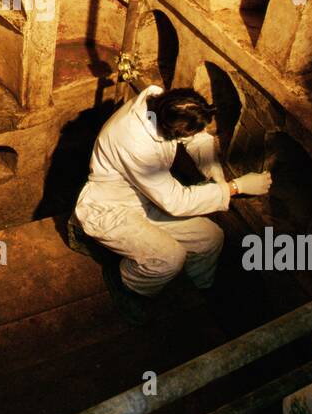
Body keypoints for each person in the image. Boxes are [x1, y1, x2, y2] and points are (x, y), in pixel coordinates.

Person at [73, 83, 273, 324]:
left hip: (145, 198)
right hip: (110, 207)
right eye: (180, 135)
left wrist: (214, 170)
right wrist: (235, 187)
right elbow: (175, 202)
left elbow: (196, 137)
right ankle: (126, 285)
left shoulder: (164, 103)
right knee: (169, 257)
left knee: (210, 238)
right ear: (171, 131)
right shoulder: (134, 141)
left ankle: (195, 293)